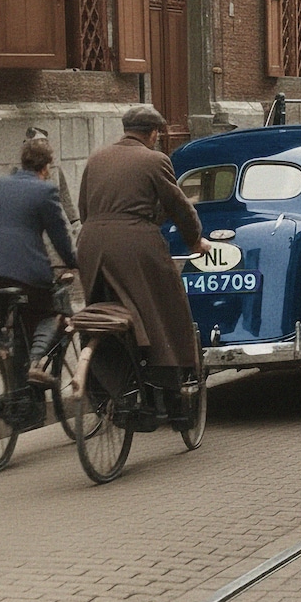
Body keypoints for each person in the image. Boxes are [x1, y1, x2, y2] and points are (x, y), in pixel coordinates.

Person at [77, 105, 210, 396]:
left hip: (91, 242)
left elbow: (83, 208)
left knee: (100, 307)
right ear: (153, 134)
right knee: (167, 303)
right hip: (134, 241)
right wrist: (195, 241)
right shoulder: (155, 160)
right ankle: (169, 382)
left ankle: (105, 381)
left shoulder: (96, 158)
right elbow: (179, 206)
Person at [0, 137, 79, 386]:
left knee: (2, 327)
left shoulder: (0, 184)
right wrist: (74, 261)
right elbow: (60, 237)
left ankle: (5, 357)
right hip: (26, 272)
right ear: (46, 166)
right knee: (52, 311)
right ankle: (36, 363)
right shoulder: (46, 190)